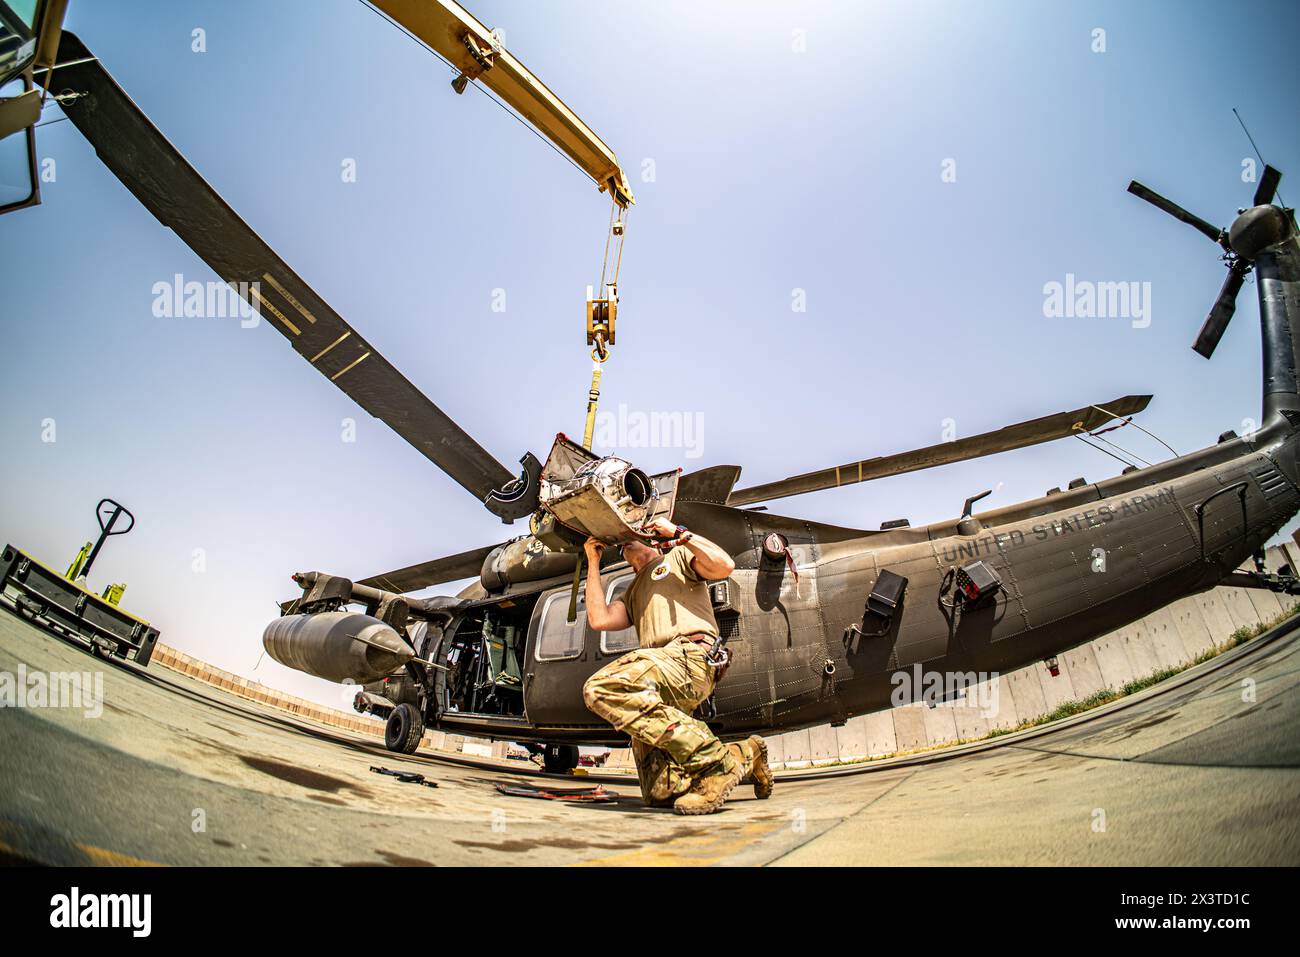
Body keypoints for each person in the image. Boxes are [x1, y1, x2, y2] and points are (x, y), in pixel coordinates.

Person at [581, 517, 773, 815]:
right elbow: (599, 619)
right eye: (620, 549)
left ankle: (715, 764)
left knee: (601, 688)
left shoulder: (678, 558)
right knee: (661, 794)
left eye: (631, 538)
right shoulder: (631, 592)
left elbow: (723, 566)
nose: (624, 546)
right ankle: (746, 752)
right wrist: (592, 561)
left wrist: (678, 534)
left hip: (690, 655)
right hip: (659, 677)